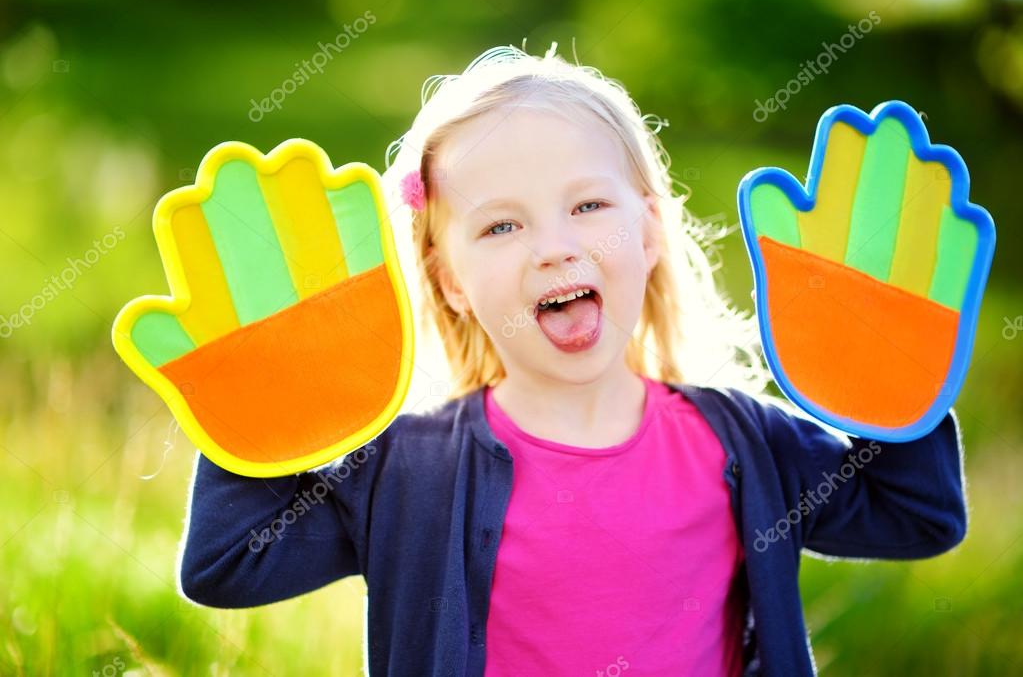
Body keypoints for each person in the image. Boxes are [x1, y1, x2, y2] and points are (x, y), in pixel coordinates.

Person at [177, 43, 967, 676]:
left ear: (650, 232)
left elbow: (916, 516)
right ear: (448, 280)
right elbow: (226, 563)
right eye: (499, 227)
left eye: (587, 206)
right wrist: (263, 395)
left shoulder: (742, 446)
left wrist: (890, 370)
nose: (555, 249)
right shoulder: (409, 474)